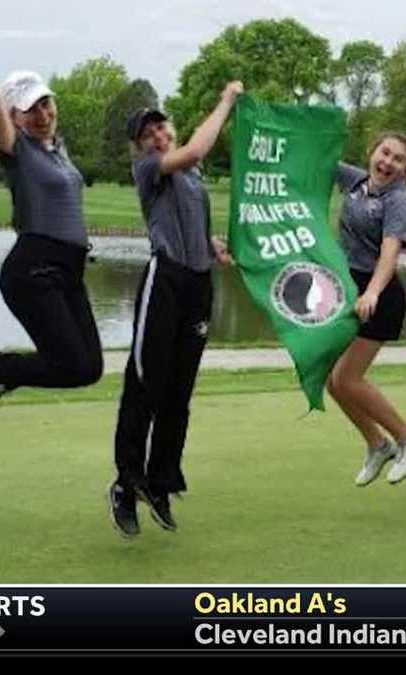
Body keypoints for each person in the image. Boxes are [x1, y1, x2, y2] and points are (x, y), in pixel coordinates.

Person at [0, 0, 103, 420]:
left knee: (89, 369)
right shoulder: (17, 149)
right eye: (31, 108)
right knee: (70, 364)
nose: (44, 113)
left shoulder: (58, 148)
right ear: (14, 117)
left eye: (46, 103)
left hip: (68, 269)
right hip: (33, 271)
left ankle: (6, 376)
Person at [108, 83, 240, 538]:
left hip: (198, 285)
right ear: (138, 146)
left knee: (178, 393)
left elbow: (191, 222)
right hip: (163, 281)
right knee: (145, 383)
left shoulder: (194, 178)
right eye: (147, 133)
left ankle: (161, 482)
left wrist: (211, 245)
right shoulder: (150, 168)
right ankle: (127, 483)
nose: (157, 136)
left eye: (161, 126)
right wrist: (224, 100)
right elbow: (197, 148)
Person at [326, 132, 406, 486]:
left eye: (398, 159)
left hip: (379, 297)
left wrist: (371, 292)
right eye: (384, 153)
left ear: (405, 170)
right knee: (331, 380)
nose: (387, 162)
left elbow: (390, 252)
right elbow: (317, 155)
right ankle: (377, 444)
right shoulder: (356, 181)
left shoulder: (399, 200)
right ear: (372, 152)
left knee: (346, 379)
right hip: (348, 290)